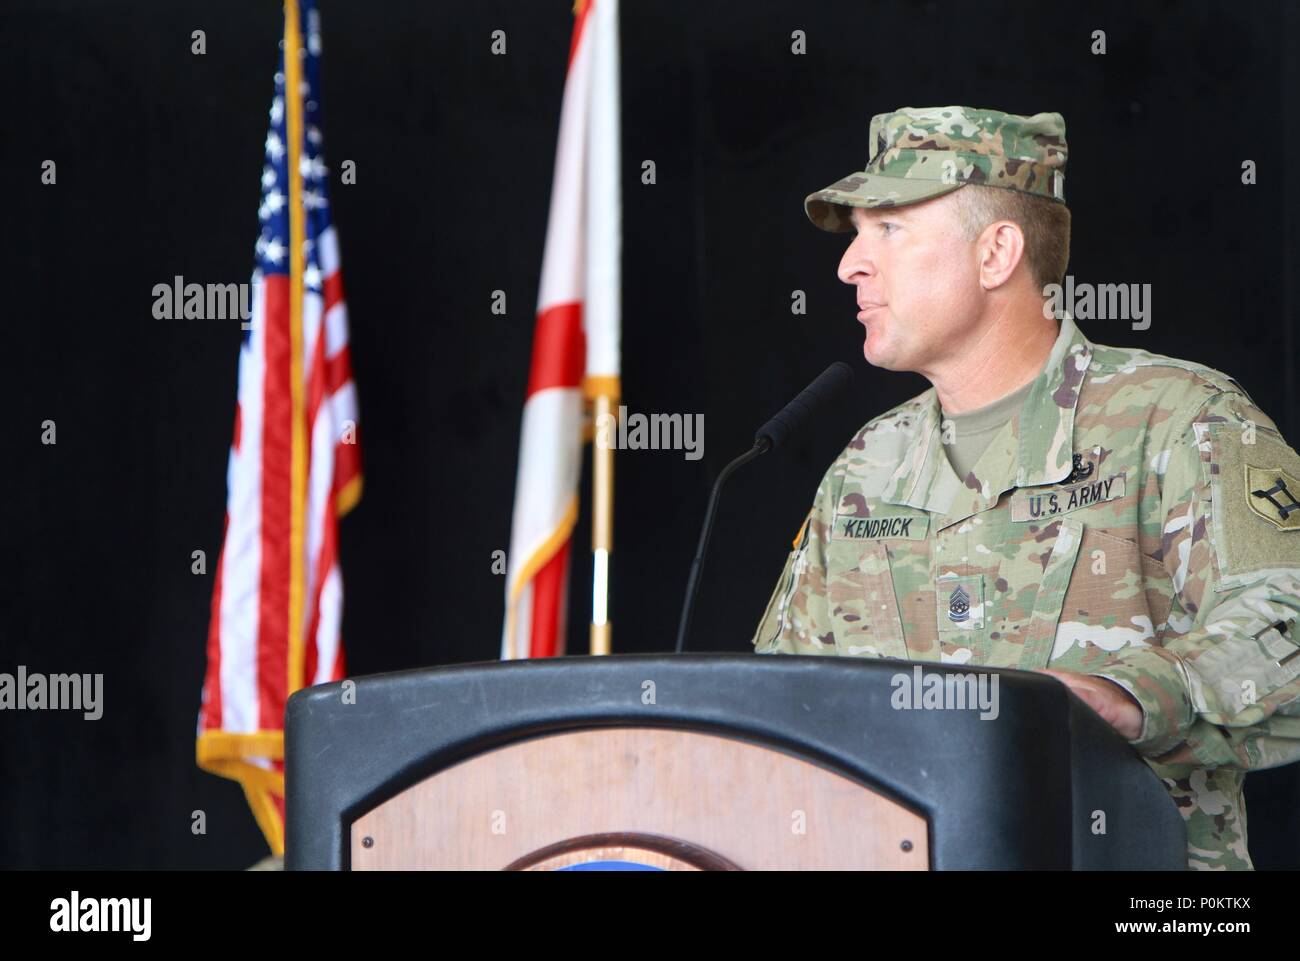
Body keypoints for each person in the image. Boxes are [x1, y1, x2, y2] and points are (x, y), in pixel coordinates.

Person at [752, 105, 1300, 870]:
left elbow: (1287, 624)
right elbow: (775, 710)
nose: (850, 265)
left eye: (889, 228)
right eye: (855, 235)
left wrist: (1134, 695)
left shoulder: (1179, 420)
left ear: (997, 252)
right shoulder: (865, 466)